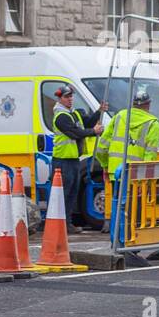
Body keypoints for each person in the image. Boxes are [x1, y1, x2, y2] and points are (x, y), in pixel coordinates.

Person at [51, 85, 105, 229]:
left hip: (73, 159)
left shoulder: (72, 113)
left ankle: (66, 224)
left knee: (72, 193)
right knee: (64, 193)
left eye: (71, 96)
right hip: (62, 161)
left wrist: (99, 111)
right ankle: (60, 225)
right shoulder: (61, 116)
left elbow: (87, 123)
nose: (70, 99)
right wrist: (94, 132)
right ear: (59, 98)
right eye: (66, 97)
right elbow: (76, 133)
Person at [95, 86, 159, 172]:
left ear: (133, 103)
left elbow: (101, 148)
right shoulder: (153, 123)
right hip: (137, 177)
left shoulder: (119, 116)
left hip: (115, 172)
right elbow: (150, 155)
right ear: (148, 104)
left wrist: (105, 165)